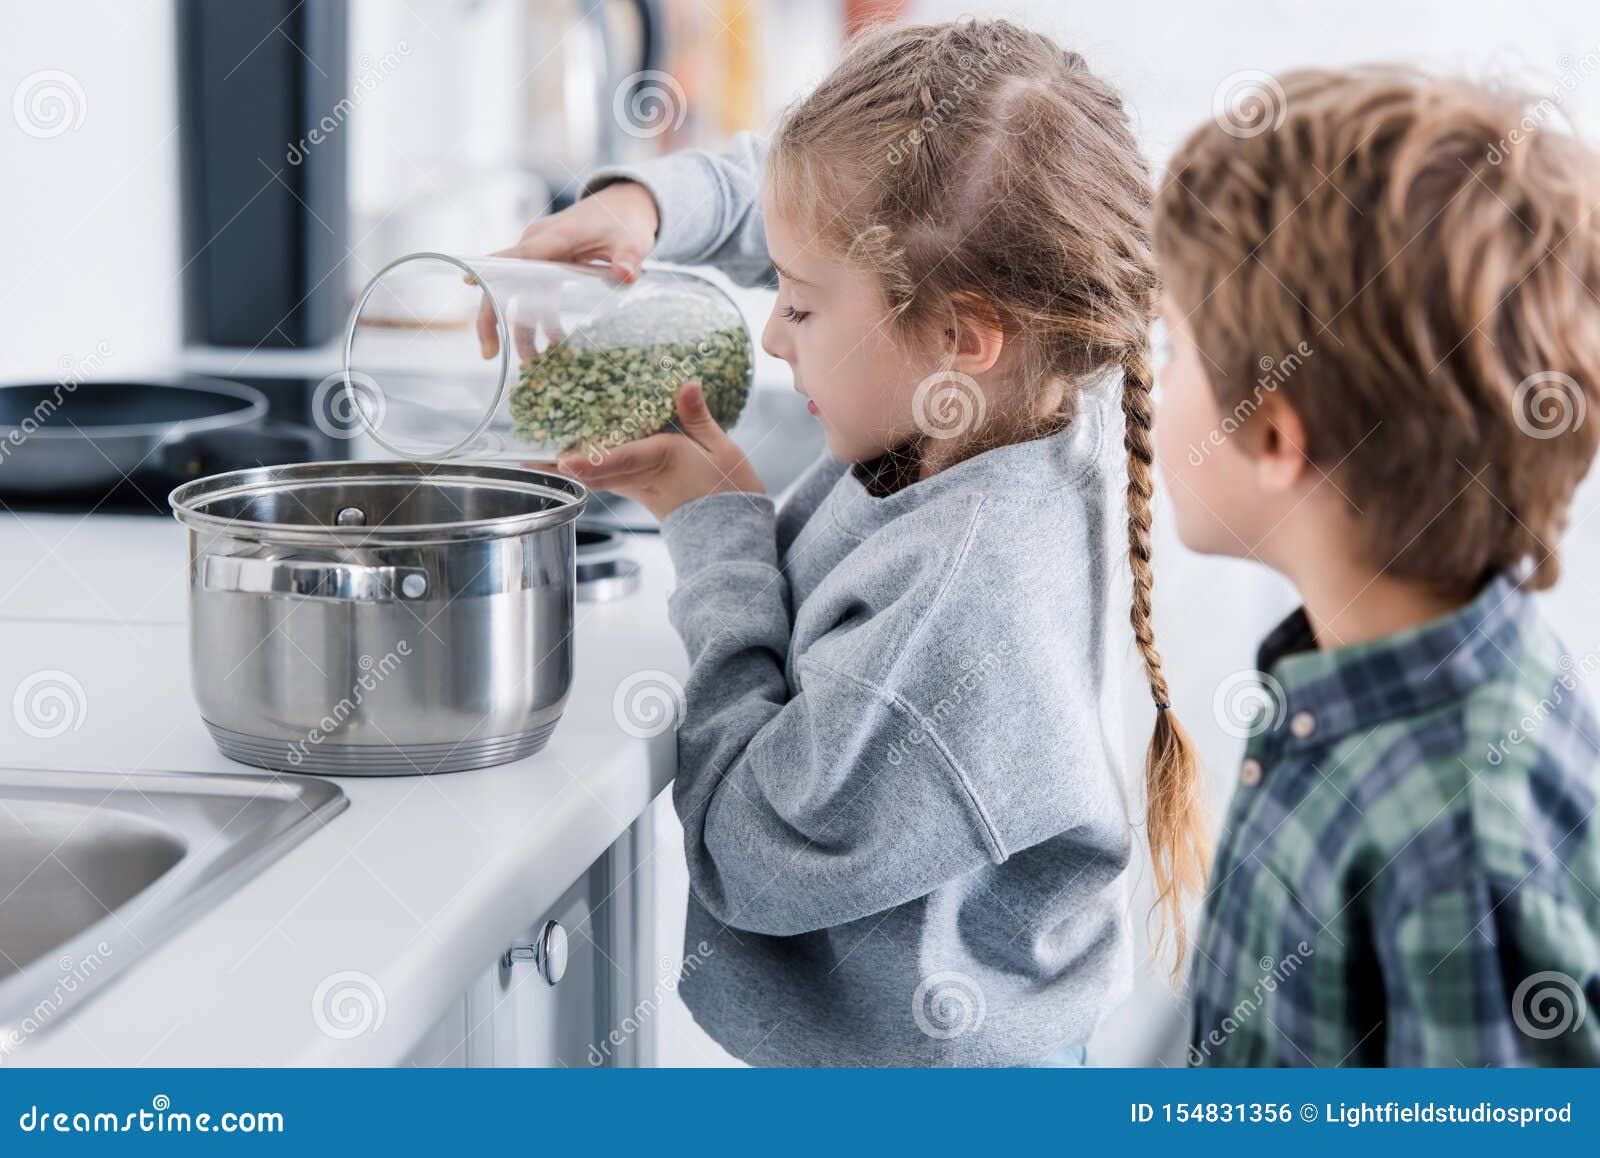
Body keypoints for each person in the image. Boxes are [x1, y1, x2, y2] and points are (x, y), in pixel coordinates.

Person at [491, 19, 1204, 1064]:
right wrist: (644, 205)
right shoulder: (998, 405)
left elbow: (752, 847)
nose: (773, 333)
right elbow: (823, 205)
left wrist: (716, 534)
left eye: (801, 306)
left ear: (963, 335)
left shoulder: (962, 592)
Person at [1154, 67, 1600, 1065]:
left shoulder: (1462, 848)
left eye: (1171, 347)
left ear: (1270, 431)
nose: (1151, 384)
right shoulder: (1374, 659)